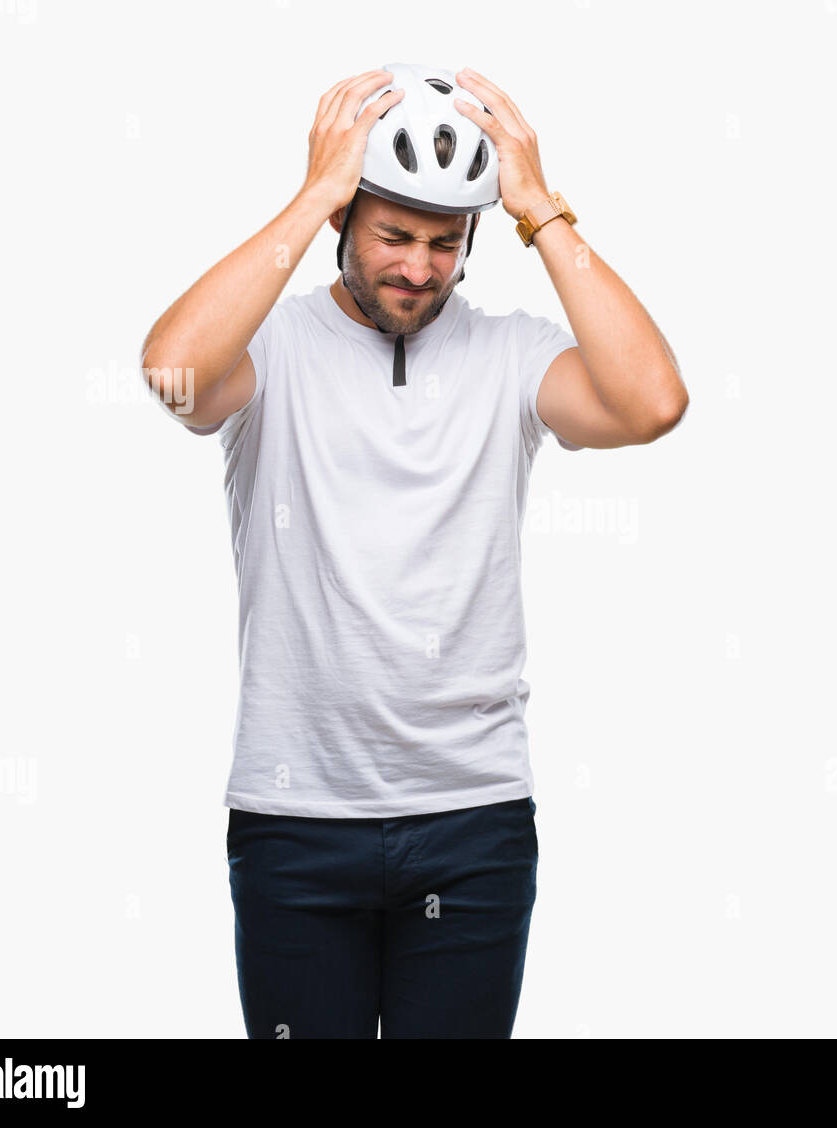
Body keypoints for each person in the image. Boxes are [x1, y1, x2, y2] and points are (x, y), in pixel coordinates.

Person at [140, 62, 688, 1038]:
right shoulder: (269, 350)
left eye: (444, 242)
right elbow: (173, 373)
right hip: (295, 818)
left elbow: (651, 404)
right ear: (346, 225)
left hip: (473, 821)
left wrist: (541, 213)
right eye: (394, 234)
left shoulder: (512, 355)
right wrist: (312, 193)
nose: (418, 268)